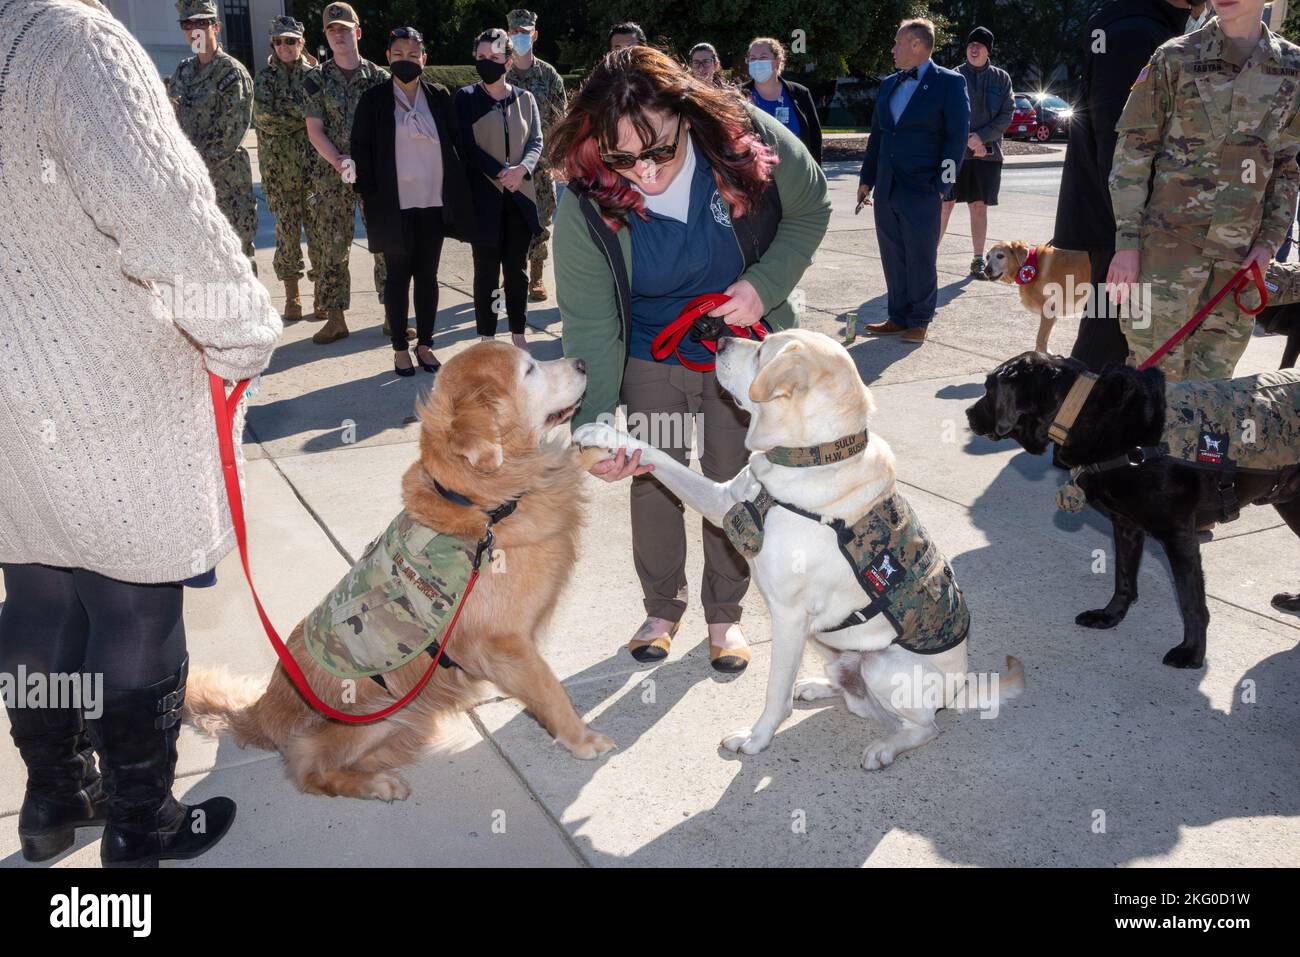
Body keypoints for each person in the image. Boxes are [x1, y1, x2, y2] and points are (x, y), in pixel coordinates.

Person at [1, 0, 280, 866]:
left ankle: (51, 801)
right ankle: (139, 824)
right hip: (103, 396)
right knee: (133, 611)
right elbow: (163, 209)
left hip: (9, 407)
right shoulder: (73, 41)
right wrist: (245, 330)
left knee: (38, 597)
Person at [549, 46, 831, 672]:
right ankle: (661, 607)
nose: (644, 172)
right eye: (624, 156)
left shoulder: (741, 136)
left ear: (686, 115)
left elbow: (812, 208)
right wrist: (593, 428)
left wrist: (765, 283)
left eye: (660, 150)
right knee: (653, 475)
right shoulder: (584, 196)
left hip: (740, 350)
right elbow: (590, 321)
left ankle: (725, 617)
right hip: (651, 350)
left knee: (732, 484)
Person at [1107, 0, 1300, 381]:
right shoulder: (1175, 58)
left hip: (1239, 264)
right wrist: (1127, 243)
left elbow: (1287, 166)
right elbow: (1132, 154)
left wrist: (1268, 242)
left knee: (1212, 394)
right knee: (1151, 384)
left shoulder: (1292, 69)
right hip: (1166, 258)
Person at [1052, 0, 1190, 374]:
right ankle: (1068, 426)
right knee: (1107, 340)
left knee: (1123, 336)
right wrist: (1130, 232)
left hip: (1119, 217)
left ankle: (1079, 422)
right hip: (1123, 220)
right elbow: (1120, 139)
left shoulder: (1135, 22)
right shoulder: (1137, 31)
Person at [351, 27, 475, 375]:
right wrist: (364, 187)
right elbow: (360, 147)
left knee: (427, 276)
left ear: (424, 58)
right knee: (397, 277)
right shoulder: (374, 100)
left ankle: (425, 343)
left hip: (432, 203)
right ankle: (400, 348)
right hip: (394, 205)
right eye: (399, 53)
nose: (406, 59)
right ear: (388, 57)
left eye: (413, 53)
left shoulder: (438, 95)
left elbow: (456, 144)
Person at [858, 19, 970, 345]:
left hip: (923, 186)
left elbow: (956, 138)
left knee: (920, 255)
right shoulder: (888, 84)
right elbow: (877, 135)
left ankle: (920, 318)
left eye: (897, 43)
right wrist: (867, 179)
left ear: (917, 45)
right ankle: (898, 315)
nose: (892, 49)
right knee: (892, 252)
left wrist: (942, 186)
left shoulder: (949, 83)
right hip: (887, 184)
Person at [302, 1, 390, 345]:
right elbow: (314, 129)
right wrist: (340, 161)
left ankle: (391, 314)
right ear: (326, 35)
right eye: (331, 29)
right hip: (331, 175)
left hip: (374, 177)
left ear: (358, 32)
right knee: (332, 247)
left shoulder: (380, 79)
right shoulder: (316, 79)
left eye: (344, 28)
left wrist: (366, 162)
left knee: (384, 243)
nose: (338, 35)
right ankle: (335, 318)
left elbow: (389, 129)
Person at [456, 28, 545, 350]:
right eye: (480, 58)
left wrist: (522, 169)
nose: (486, 63)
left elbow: (536, 140)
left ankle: (518, 333)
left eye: (493, 58)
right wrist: (500, 171)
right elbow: (466, 145)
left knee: (516, 269)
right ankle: (487, 336)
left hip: (519, 196)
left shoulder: (526, 99)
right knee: (487, 273)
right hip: (485, 198)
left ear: (508, 62)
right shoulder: (466, 98)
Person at [169, 0, 257, 264]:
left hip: (227, 187)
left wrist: (189, 164)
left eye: (201, 22)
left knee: (236, 258)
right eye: (187, 24)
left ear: (216, 27)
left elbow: (229, 135)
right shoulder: (183, 71)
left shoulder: (232, 73)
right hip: (192, 188)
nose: (194, 30)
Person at [253, 15, 318, 323]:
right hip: (279, 174)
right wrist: (304, 118)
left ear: (301, 43)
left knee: (319, 236)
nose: (284, 46)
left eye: (290, 41)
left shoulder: (315, 77)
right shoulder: (264, 79)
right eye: (278, 42)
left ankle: (323, 293)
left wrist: (293, 116)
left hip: (313, 172)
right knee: (287, 236)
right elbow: (265, 118)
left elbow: (323, 116)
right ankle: (293, 296)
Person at [937, 27, 1013, 279]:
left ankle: (978, 260)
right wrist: (967, 140)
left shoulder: (1001, 79)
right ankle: (927, 257)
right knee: (943, 204)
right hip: (953, 155)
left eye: (979, 45)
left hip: (987, 155)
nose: (974, 48)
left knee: (978, 207)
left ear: (988, 49)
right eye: (971, 44)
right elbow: (943, 112)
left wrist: (982, 138)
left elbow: (1006, 115)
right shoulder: (953, 76)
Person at [506, 8, 569, 302]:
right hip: (506, 165)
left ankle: (537, 277)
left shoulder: (549, 75)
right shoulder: (499, 73)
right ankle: (512, 274)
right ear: (508, 35)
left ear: (535, 35)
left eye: (525, 32)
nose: (520, 37)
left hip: (541, 166)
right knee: (508, 221)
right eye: (515, 32)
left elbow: (562, 119)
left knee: (540, 222)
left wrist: (561, 160)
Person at [740, 36, 822, 165]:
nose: (757, 63)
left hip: (795, 174)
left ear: (777, 62)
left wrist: (816, 177)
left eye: (763, 58)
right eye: (753, 58)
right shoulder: (737, 95)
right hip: (753, 177)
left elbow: (815, 139)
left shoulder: (800, 93)